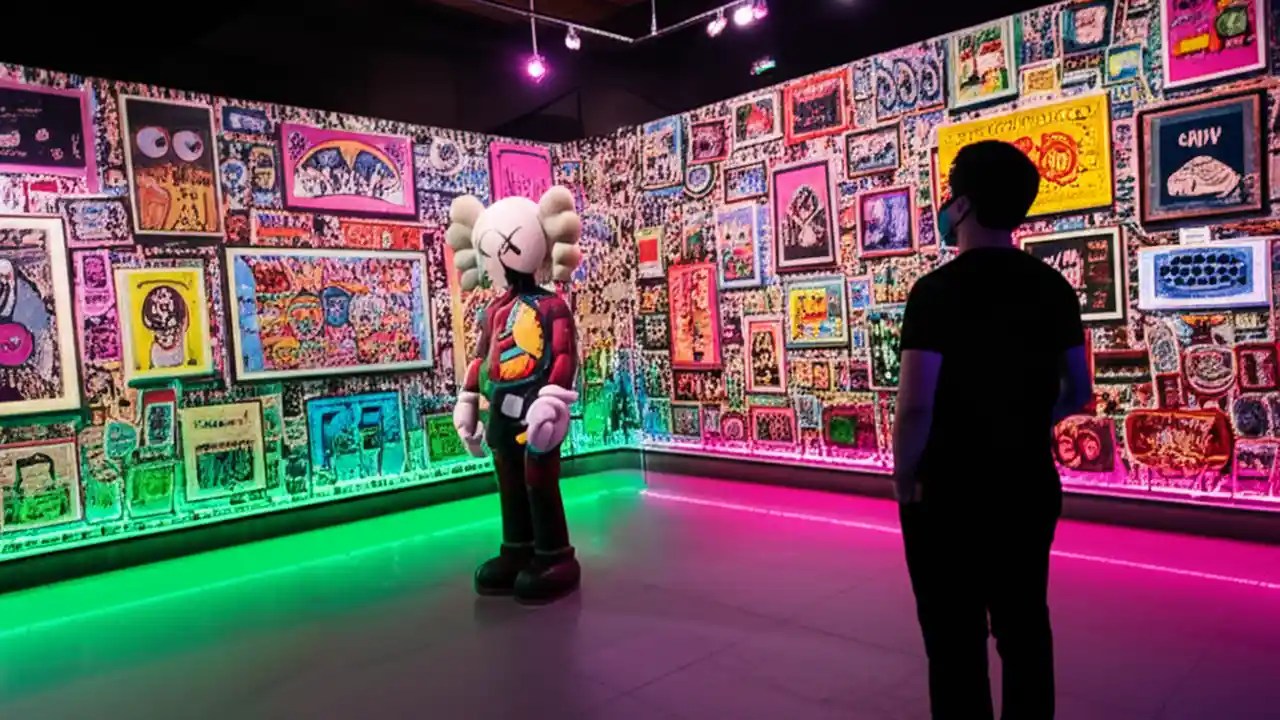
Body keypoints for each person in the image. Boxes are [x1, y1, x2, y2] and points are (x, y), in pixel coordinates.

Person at [892, 140, 1093, 720]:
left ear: (965, 205)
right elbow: (1077, 391)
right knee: (1025, 627)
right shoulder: (1053, 287)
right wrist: (1024, 419)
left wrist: (905, 477)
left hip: (946, 492)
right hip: (1027, 482)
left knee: (953, 640)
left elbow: (915, 406)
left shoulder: (934, 293)